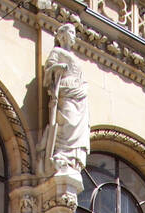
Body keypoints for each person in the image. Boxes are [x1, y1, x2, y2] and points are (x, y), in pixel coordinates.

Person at [38, 23, 90, 174]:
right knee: (67, 121)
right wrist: (58, 68)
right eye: (71, 32)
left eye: (74, 33)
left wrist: (83, 88)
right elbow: (49, 70)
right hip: (65, 92)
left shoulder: (74, 57)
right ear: (62, 35)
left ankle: (72, 159)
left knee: (78, 127)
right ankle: (61, 154)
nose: (74, 36)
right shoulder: (57, 51)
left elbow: (81, 77)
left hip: (79, 96)